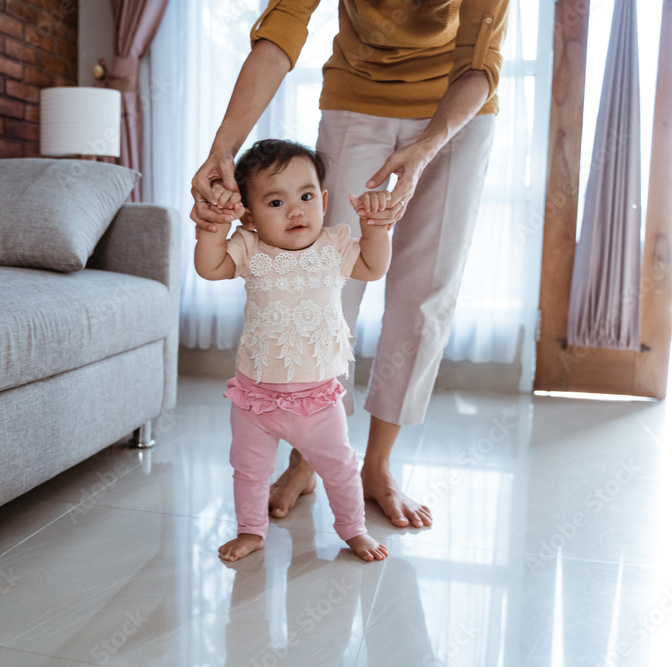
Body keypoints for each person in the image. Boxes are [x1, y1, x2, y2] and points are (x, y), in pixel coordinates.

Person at [191, 0, 508, 530]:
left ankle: (377, 466)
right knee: (324, 281)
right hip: (356, 98)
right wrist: (223, 147)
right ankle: (306, 459)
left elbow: (480, 62)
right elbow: (281, 30)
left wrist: (427, 148)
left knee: (425, 295)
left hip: (455, 110)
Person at [196, 139, 391, 562]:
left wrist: (376, 228)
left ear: (323, 199)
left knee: (340, 468)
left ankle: (353, 528)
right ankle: (251, 530)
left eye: (305, 197)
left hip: (318, 399)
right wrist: (210, 229)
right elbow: (209, 268)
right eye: (275, 202)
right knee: (249, 471)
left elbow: (375, 267)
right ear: (248, 214)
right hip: (256, 400)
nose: (296, 210)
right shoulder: (249, 248)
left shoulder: (335, 246)